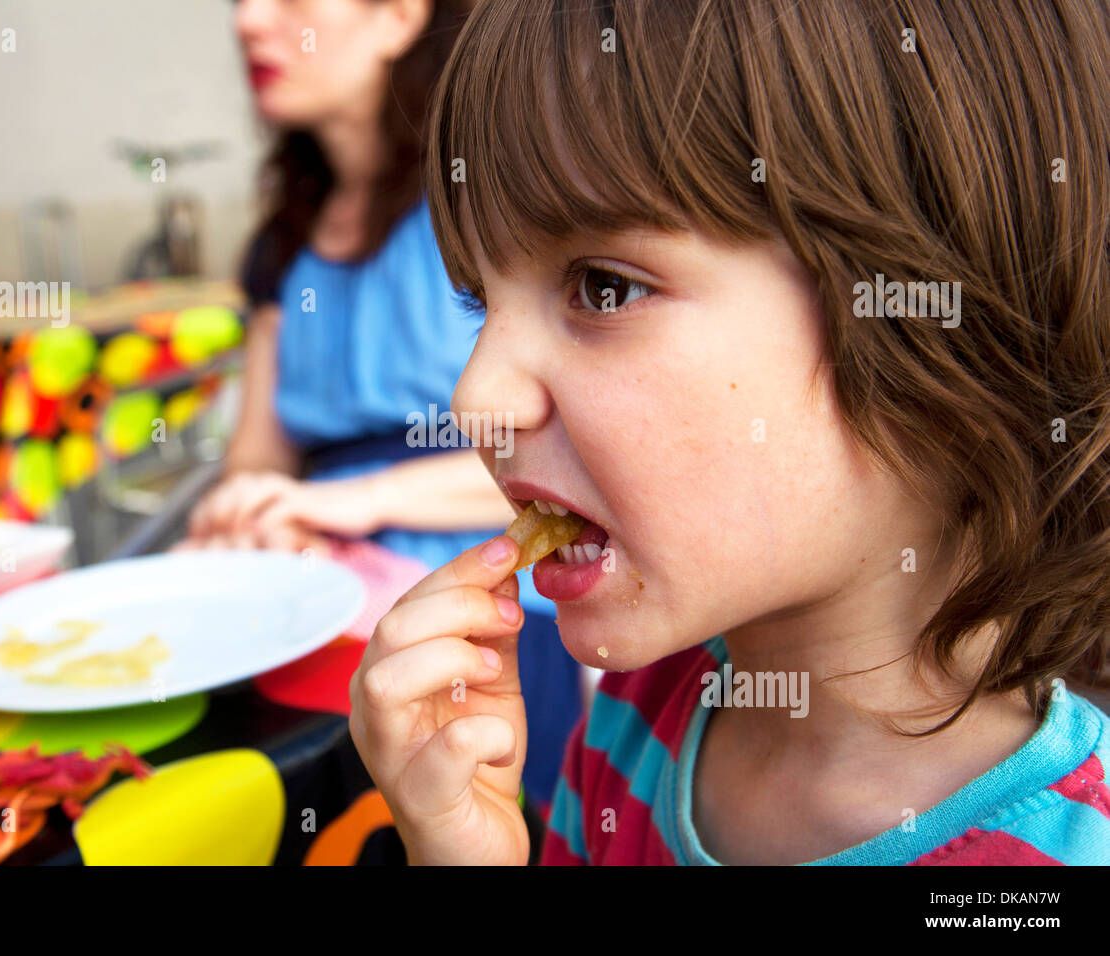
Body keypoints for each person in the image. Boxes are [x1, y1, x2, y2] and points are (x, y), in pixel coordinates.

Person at [348, 0, 1110, 865]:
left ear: (930, 320)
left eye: (604, 287)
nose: (476, 395)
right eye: (481, 303)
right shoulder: (643, 708)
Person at [178, 0, 582, 811]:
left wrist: (351, 501)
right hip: (316, 586)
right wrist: (256, 509)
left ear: (400, 17)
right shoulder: (283, 243)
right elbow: (259, 461)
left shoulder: (487, 200)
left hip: (486, 590)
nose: (251, 22)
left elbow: (569, 443)